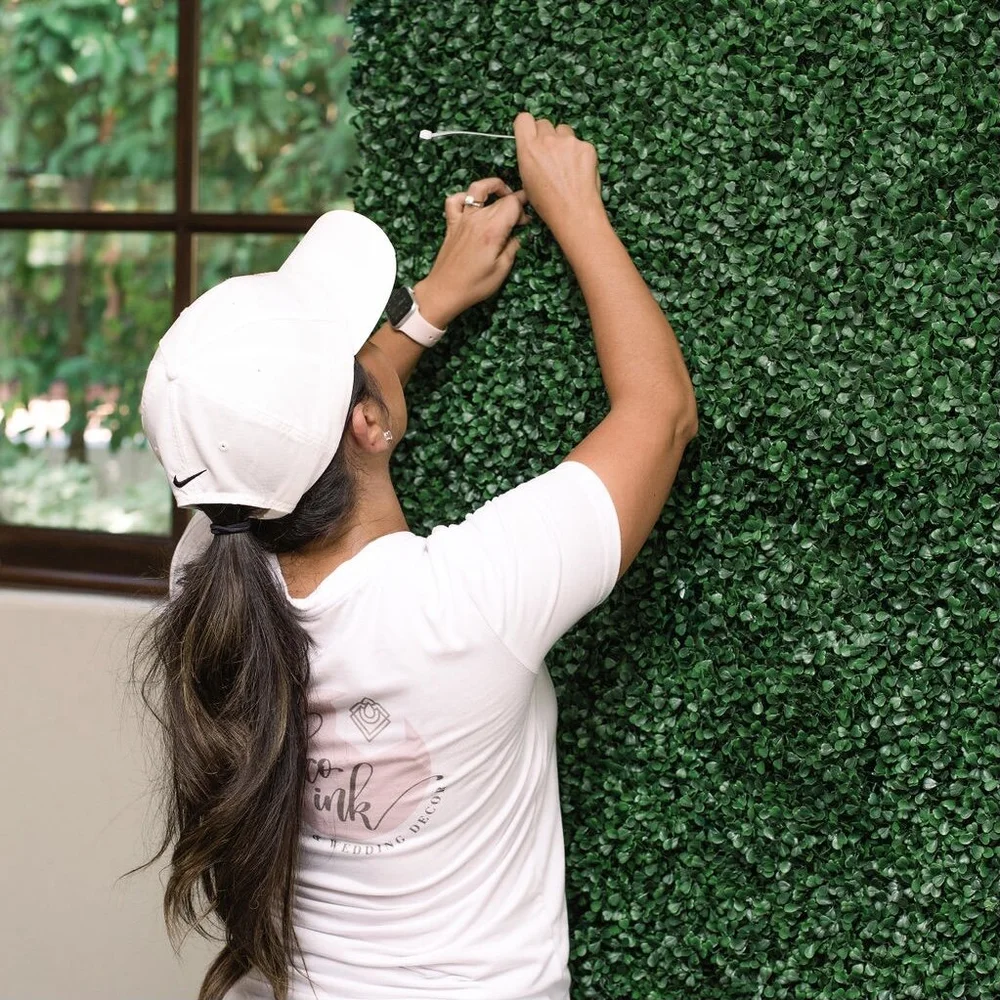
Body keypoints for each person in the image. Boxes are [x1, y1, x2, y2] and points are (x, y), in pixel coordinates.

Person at [132, 110, 699, 1000]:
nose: (376, 344)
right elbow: (659, 415)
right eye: (362, 344)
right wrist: (575, 209)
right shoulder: (463, 605)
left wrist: (431, 303)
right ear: (367, 419)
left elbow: (304, 429)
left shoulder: (206, 569)